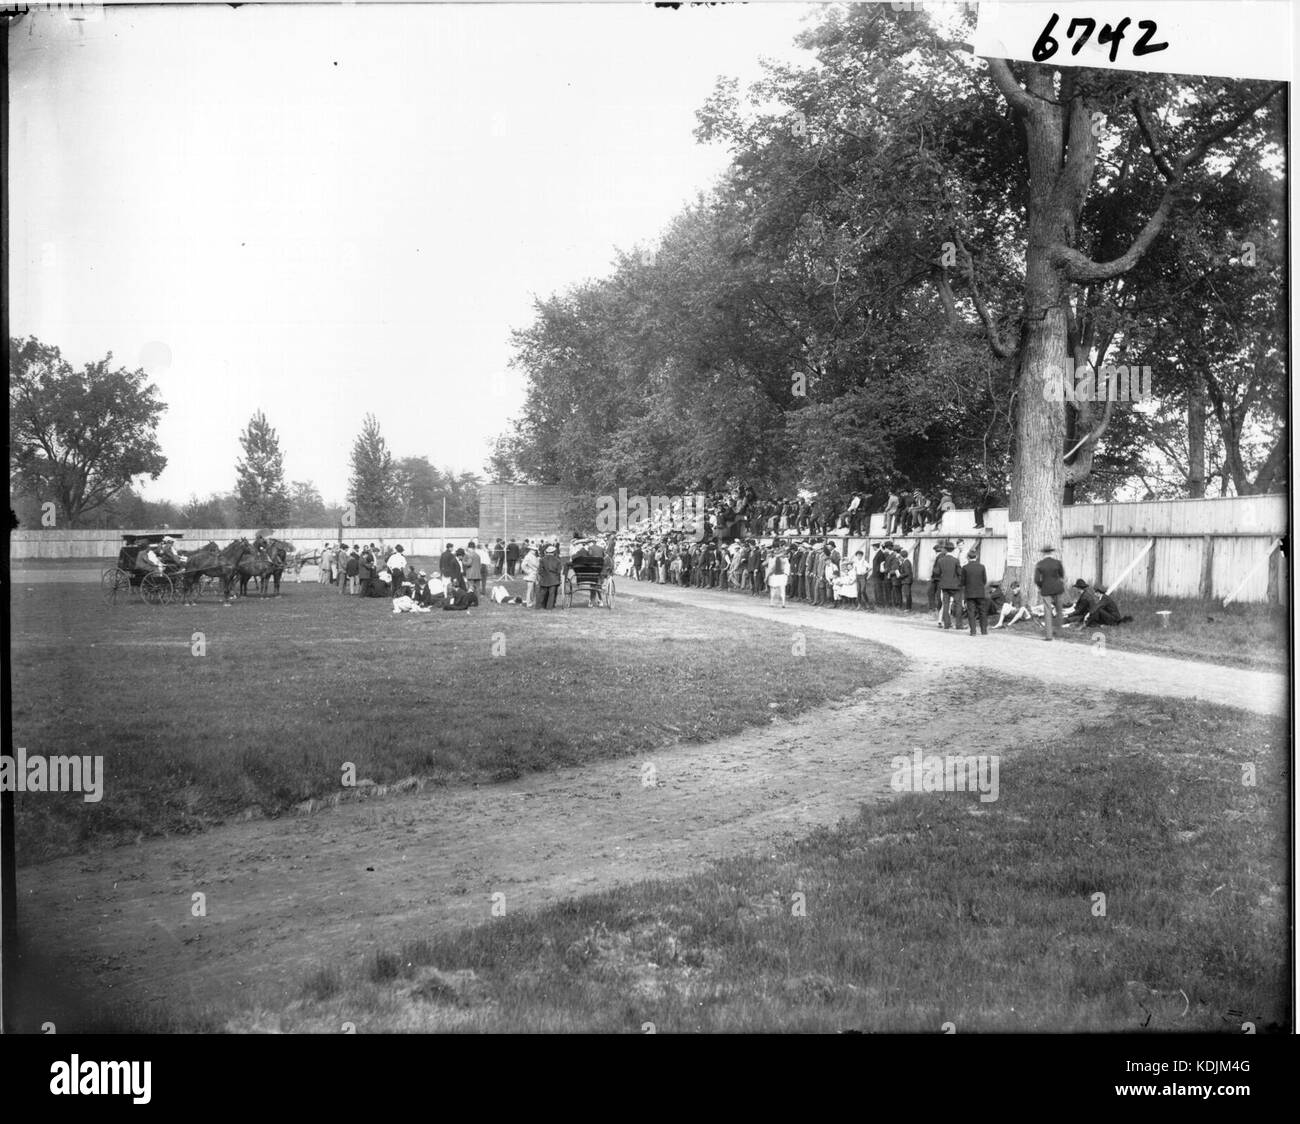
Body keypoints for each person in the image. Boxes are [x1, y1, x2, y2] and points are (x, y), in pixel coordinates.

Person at [1033, 545, 1067, 641]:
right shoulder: (1057, 563)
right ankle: (1059, 633)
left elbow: (1036, 580)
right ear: (1051, 553)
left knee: (1047, 612)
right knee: (1059, 610)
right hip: (1058, 588)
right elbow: (1062, 575)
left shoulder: (1040, 564)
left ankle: (1049, 636)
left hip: (1046, 589)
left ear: (1043, 553)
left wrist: (1041, 586)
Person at [932, 540, 962, 629]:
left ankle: (947, 624)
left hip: (944, 585)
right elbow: (960, 573)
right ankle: (958, 624)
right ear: (953, 550)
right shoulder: (956, 560)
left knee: (945, 604)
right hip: (955, 586)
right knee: (958, 604)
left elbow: (936, 572)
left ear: (945, 549)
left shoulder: (941, 560)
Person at [961, 549, 988, 635]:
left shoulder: (965, 568)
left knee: (971, 612)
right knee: (982, 612)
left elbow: (962, 582)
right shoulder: (982, 567)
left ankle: (973, 631)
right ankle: (984, 630)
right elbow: (984, 580)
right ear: (976, 557)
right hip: (980, 592)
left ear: (968, 557)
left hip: (970, 593)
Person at [537, 543, 562, 609]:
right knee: (552, 594)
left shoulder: (542, 559)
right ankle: (549, 607)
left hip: (544, 578)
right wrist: (559, 579)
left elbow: (540, 570)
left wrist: (543, 575)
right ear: (554, 552)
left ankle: (539, 606)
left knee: (542, 594)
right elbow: (559, 571)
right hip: (554, 579)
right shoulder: (557, 560)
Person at [520, 542, 540, 607]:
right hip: (531, 575)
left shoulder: (534, 556)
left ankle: (532, 602)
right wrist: (528, 571)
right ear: (530, 550)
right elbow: (523, 565)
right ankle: (529, 603)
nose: (535, 551)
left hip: (535, 575)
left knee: (534, 590)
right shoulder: (528, 556)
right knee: (530, 590)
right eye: (533, 550)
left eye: (535, 550)